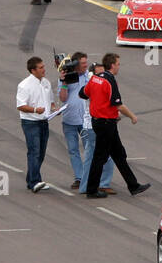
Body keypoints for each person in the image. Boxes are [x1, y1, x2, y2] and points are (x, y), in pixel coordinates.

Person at [78, 53, 150, 200]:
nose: (119, 67)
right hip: (106, 123)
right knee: (100, 157)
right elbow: (118, 104)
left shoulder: (95, 78)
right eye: (118, 64)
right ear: (112, 65)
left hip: (99, 121)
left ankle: (133, 185)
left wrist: (98, 103)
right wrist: (132, 116)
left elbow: (83, 94)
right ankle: (91, 190)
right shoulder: (109, 81)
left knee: (118, 154)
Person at [15, 56, 55, 193]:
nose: (44, 69)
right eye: (41, 67)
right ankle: (35, 181)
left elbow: (50, 100)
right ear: (33, 70)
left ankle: (31, 179)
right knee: (34, 151)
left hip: (44, 121)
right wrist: (35, 110)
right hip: (30, 122)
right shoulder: (24, 85)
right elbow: (20, 105)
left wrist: (55, 109)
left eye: (43, 66)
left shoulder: (46, 83)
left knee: (41, 152)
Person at [56, 53, 92, 190]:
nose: (86, 65)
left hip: (85, 120)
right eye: (83, 63)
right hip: (69, 120)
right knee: (73, 150)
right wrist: (64, 83)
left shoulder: (88, 76)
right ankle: (79, 177)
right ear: (76, 64)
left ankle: (89, 177)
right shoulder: (66, 77)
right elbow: (63, 98)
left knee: (89, 149)